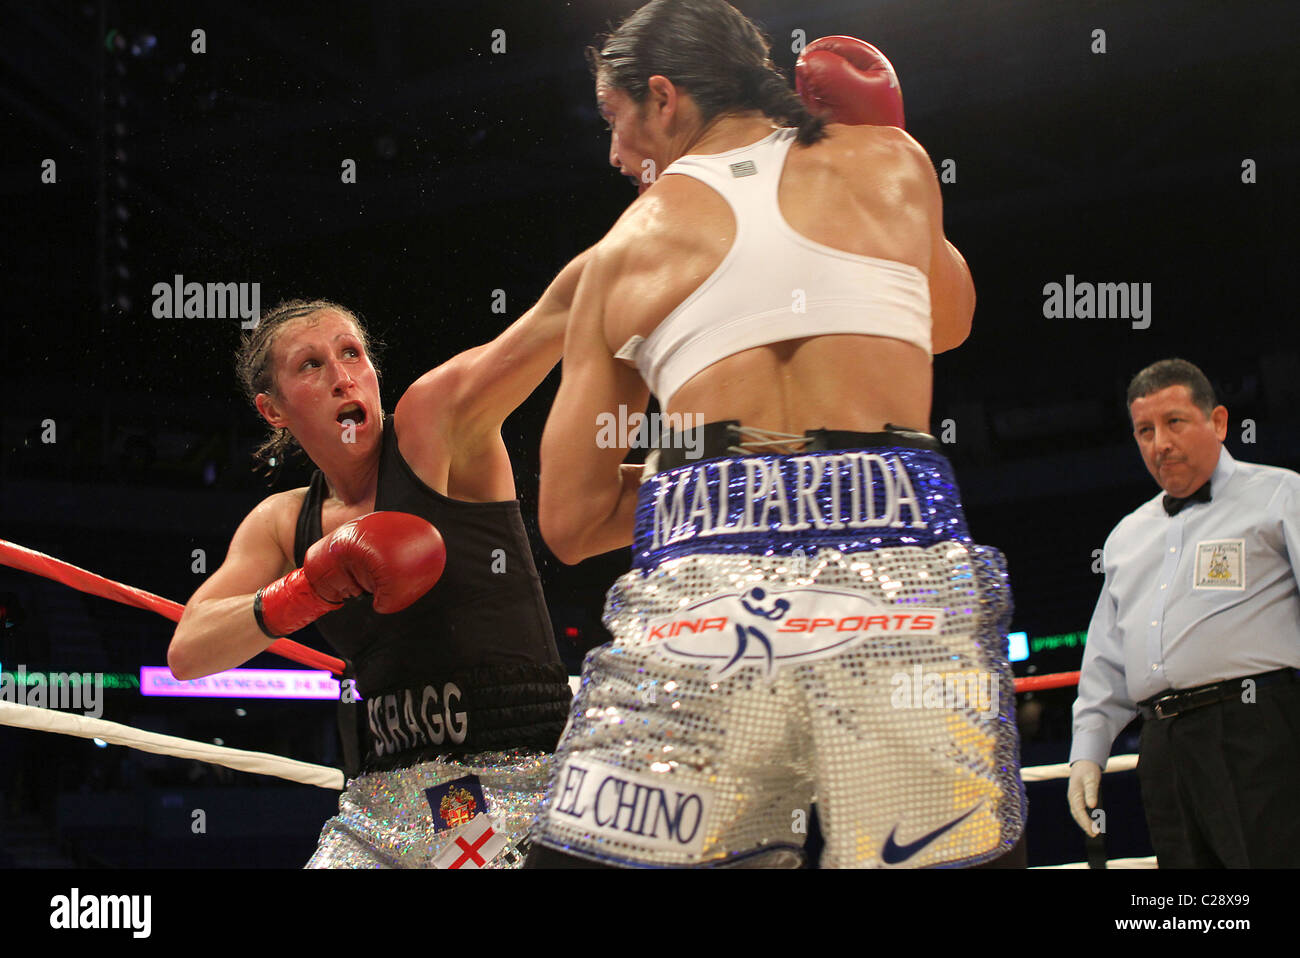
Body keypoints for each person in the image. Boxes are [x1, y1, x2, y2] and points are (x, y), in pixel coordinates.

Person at [525, 0, 1024, 868]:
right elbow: (949, 320)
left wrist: (715, 471)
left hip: (703, 612)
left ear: (665, 97)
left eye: (615, 121)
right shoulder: (894, 162)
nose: (614, 154)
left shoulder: (618, 257)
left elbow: (569, 520)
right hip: (901, 594)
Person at [167, 251, 589, 868]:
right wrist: (305, 589)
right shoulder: (283, 522)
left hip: (511, 775)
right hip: (380, 795)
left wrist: (671, 211)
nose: (342, 376)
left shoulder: (432, 424)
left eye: (351, 354)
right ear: (273, 410)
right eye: (311, 365)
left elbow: (551, 317)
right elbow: (188, 652)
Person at [1068, 358, 1300, 867]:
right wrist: (1088, 751)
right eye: (1144, 431)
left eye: (1175, 422)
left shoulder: (1281, 493)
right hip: (1163, 746)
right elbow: (1107, 657)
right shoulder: (1127, 535)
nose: (1159, 444)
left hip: (1257, 730)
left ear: (1217, 422)